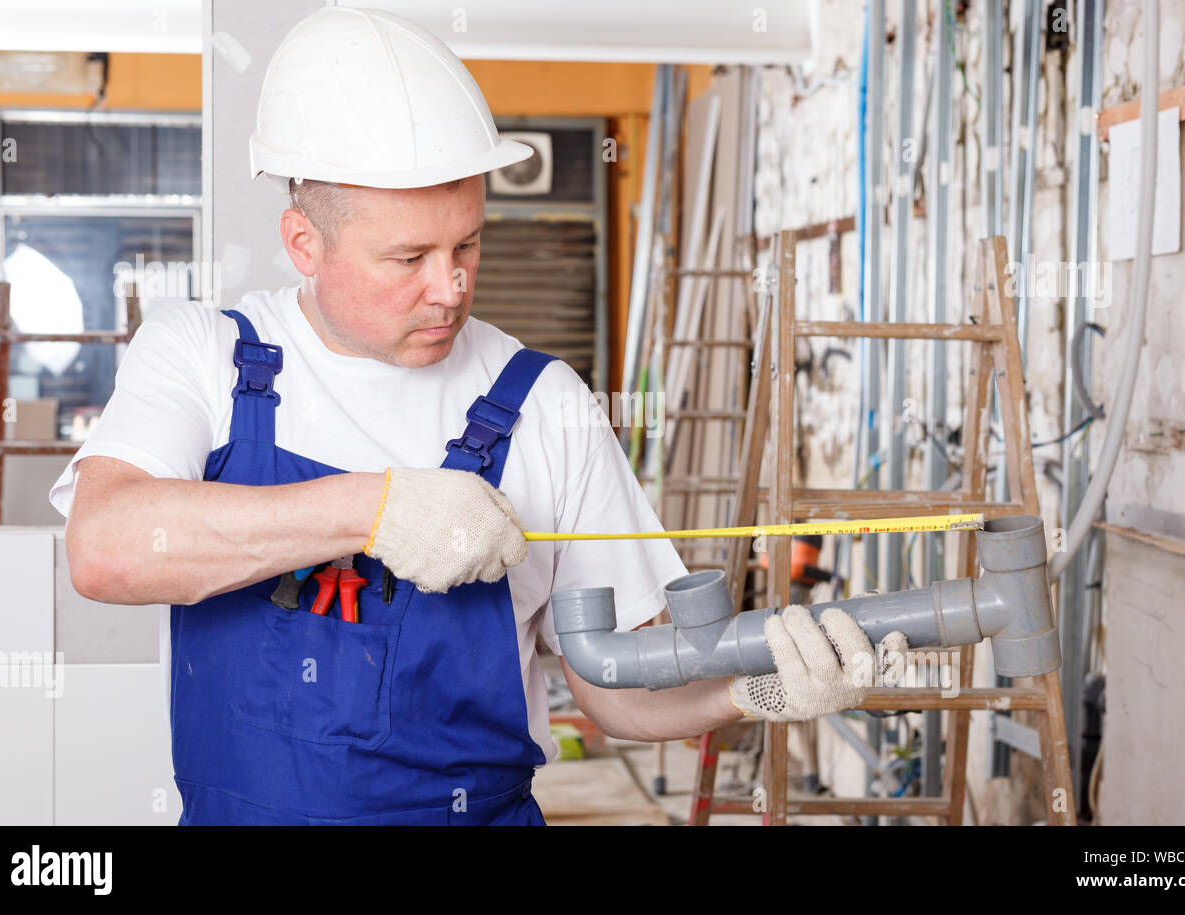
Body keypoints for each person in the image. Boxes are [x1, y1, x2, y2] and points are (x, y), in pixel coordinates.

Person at [51, 7, 896, 826]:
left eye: (468, 245)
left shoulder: (544, 404)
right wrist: (378, 509)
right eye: (409, 257)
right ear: (304, 242)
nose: (450, 287)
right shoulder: (202, 355)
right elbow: (106, 545)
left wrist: (748, 689)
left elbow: (612, 688)